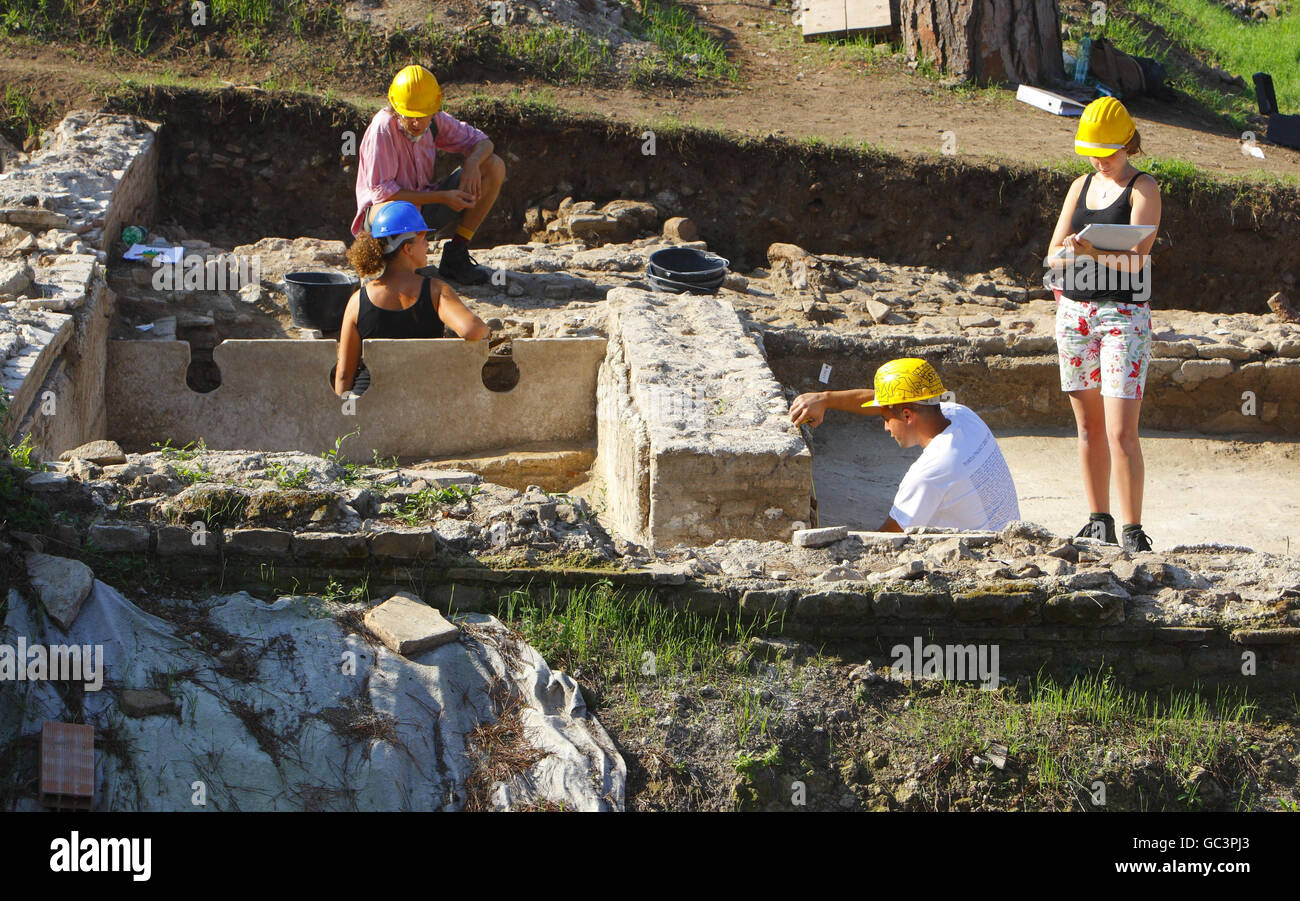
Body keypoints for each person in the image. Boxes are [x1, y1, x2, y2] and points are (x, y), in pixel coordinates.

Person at [1045, 96, 1161, 552]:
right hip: (1074, 312)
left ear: (1127, 145)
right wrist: (1069, 254)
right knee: (1088, 427)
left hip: (1123, 316)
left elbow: (1137, 264)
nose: (1100, 161)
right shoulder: (1079, 186)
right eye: (1093, 153)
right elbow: (1052, 253)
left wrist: (1093, 253)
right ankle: (1098, 521)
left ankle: (1133, 530)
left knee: (1120, 430)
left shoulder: (1143, 189)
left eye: (1108, 153)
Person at [789, 358, 1020, 533]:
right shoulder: (963, 416)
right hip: (1004, 541)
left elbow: (886, 542)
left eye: (885, 419)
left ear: (908, 416)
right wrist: (826, 399)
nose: (886, 428)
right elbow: (892, 402)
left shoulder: (931, 472)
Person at [351, 64, 506, 285]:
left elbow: (483, 142)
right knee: (392, 210)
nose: (417, 123)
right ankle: (391, 264)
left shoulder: (435, 121)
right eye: (410, 116)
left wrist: (472, 162)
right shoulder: (383, 128)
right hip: (383, 218)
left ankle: (456, 253)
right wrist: (443, 197)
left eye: (423, 116)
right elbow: (384, 195)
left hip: (422, 208)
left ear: (432, 110)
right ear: (396, 109)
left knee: (493, 165)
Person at [335, 201, 490, 397]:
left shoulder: (358, 300)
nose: (427, 245)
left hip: (368, 404)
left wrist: (341, 417)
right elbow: (473, 330)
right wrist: (488, 332)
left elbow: (343, 374)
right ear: (407, 248)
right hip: (419, 403)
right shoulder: (435, 290)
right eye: (423, 238)